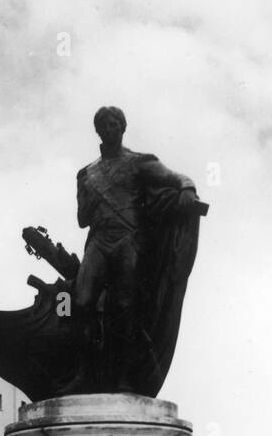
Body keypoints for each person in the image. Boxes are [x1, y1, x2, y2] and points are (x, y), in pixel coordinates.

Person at [73, 106, 203, 393]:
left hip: (128, 241)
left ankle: (124, 378)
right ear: (98, 130)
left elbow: (179, 179)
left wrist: (188, 190)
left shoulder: (139, 162)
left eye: (115, 123)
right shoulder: (85, 174)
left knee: (123, 308)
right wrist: (91, 200)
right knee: (81, 302)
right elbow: (82, 219)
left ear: (123, 127)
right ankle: (85, 373)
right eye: (105, 125)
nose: (111, 128)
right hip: (98, 240)